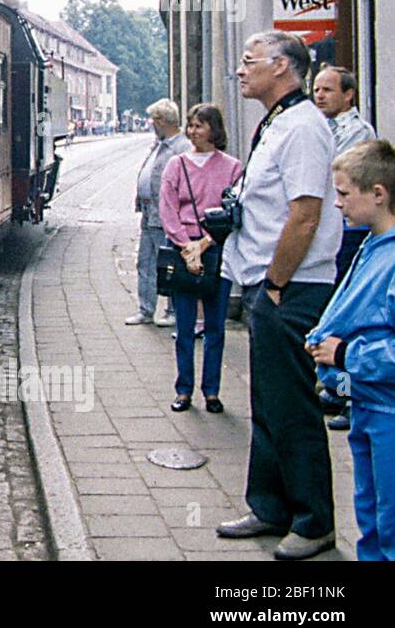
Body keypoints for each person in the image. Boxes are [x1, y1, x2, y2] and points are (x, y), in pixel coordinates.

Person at [216, 31, 343, 560]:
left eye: (250, 62)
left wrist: (273, 284)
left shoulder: (304, 128)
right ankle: (269, 505)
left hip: (292, 288)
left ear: (284, 68)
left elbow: (306, 213)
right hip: (270, 284)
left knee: (292, 406)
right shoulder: (277, 123)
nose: (241, 70)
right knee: (267, 401)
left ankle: (315, 522)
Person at [306, 140, 395, 561]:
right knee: (372, 516)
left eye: (344, 193)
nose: (336, 203)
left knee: (390, 521)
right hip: (369, 403)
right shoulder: (373, 245)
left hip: (388, 411)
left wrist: (345, 356)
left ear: (378, 194)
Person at [159, 104, 242, 413]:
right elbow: (168, 209)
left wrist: (205, 244)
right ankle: (183, 389)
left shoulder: (232, 168)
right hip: (183, 251)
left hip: (216, 248)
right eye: (190, 125)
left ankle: (212, 390)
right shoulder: (176, 165)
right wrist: (185, 246)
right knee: (183, 324)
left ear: (214, 129)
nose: (193, 131)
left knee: (215, 325)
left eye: (200, 126)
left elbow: (233, 211)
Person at [313, 66, 377, 431]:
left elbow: (332, 173)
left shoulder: (356, 131)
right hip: (334, 230)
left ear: (348, 95)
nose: (319, 96)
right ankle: (337, 389)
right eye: (317, 90)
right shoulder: (325, 127)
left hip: (349, 232)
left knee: (350, 319)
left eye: (328, 90)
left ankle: (352, 398)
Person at [126, 98, 190, 327]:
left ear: (162, 121)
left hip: (166, 217)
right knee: (145, 262)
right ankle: (146, 309)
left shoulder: (182, 147)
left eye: (154, 120)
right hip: (148, 212)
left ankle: (172, 311)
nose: (152, 124)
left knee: (168, 265)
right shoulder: (159, 144)